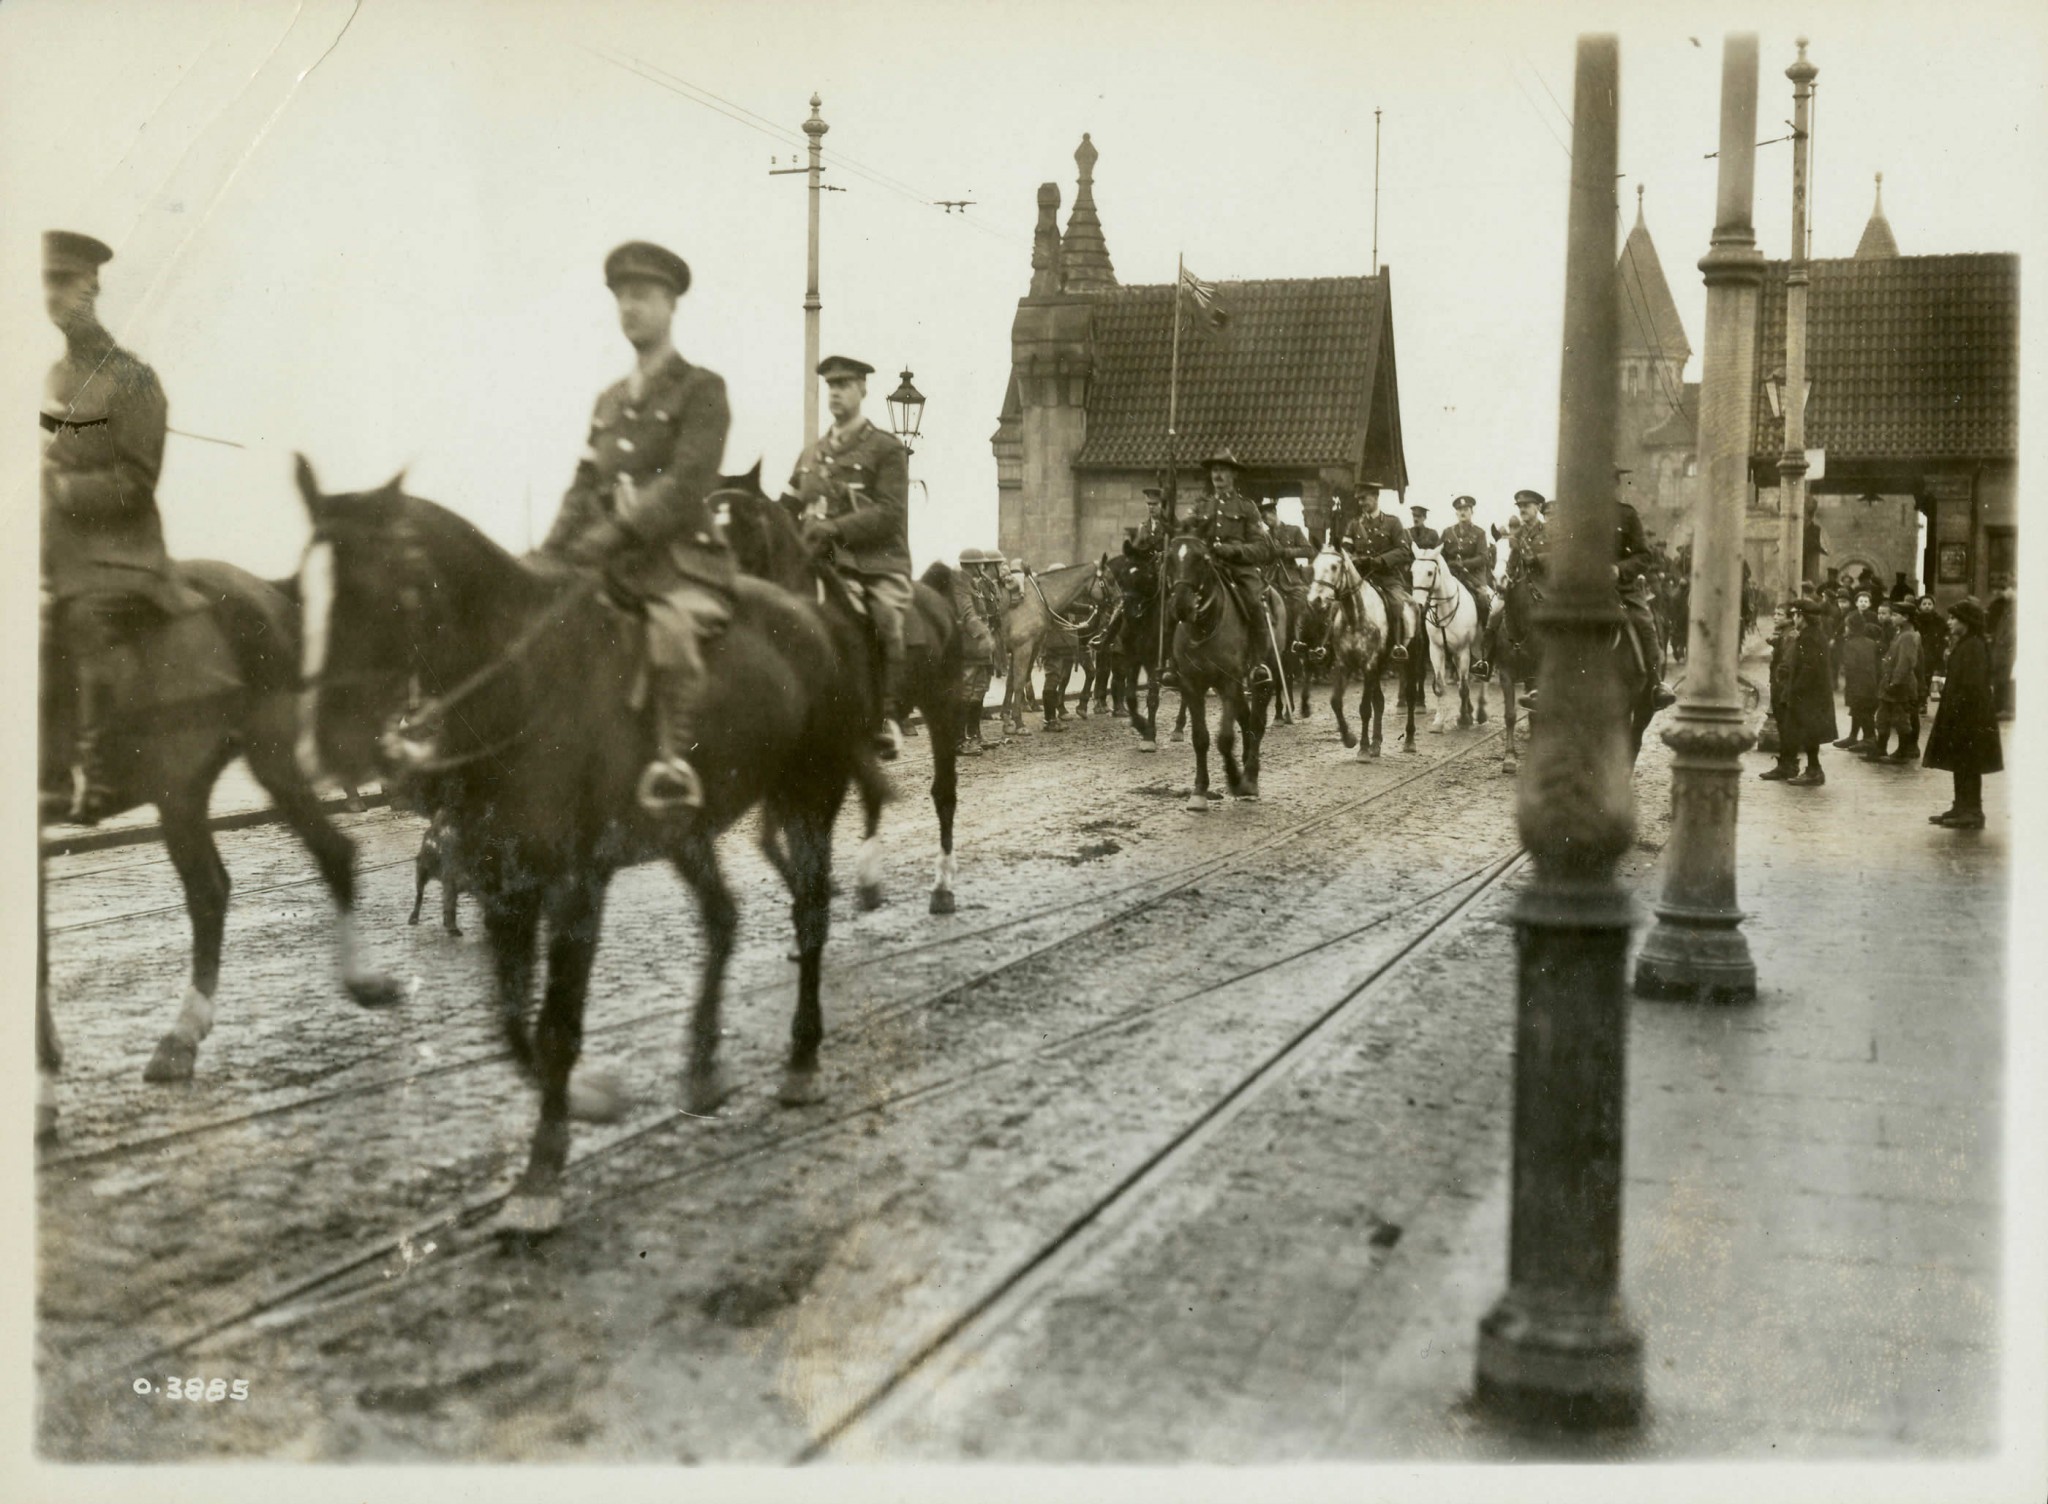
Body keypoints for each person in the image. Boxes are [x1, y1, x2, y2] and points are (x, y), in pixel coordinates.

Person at [541, 241, 731, 814]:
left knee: (670, 634)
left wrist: (619, 528)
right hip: (610, 563)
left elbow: (685, 485)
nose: (631, 307)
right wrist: (549, 554)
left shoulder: (701, 389)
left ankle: (672, 764)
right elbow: (582, 484)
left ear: (671, 304)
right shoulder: (609, 403)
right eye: (622, 297)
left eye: (643, 296)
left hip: (680, 565)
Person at [41, 230, 209, 824]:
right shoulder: (48, 378)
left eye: (62, 281)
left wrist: (60, 487)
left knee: (70, 618)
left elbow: (137, 480)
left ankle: (83, 775)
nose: (50, 295)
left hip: (118, 558)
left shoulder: (132, 379)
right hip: (54, 556)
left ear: (91, 286)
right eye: (44, 281)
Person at [780, 354, 914, 758]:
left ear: (862, 390)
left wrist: (835, 528)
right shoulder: (811, 455)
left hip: (875, 562)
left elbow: (890, 513)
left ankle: (886, 717)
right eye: (830, 386)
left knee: (886, 616)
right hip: (819, 560)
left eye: (844, 385)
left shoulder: (885, 449)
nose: (835, 393)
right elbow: (788, 503)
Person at [1167, 449, 1277, 687]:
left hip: (1238, 569)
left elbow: (1261, 548)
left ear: (1233, 475)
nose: (1218, 475)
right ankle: (1173, 664)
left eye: (1223, 471)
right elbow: (1183, 530)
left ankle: (1258, 664)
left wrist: (1233, 550)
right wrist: (1170, 508)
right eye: (1215, 471)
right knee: (1176, 596)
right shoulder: (1201, 506)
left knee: (1255, 602)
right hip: (1206, 568)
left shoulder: (1247, 508)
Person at [1923, 599, 2002, 828]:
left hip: (1970, 716)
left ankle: (1973, 811)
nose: (1949, 622)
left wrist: (1959, 711)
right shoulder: (1966, 643)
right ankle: (1960, 806)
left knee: (1969, 762)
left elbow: (1973, 685)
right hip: (1960, 713)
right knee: (1961, 761)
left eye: (1953, 618)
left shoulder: (1974, 646)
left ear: (1966, 622)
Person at [1339, 483, 1417, 661]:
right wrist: (1354, 559)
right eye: (1359, 499)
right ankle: (1330, 645)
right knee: (1337, 605)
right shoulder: (1354, 525)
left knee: (1397, 604)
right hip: (1360, 579)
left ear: (1375, 497)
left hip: (1386, 577)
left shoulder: (1393, 522)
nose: (1361, 502)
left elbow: (1403, 551)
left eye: (1364, 498)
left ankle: (1398, 645)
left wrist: (1378, 560)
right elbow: (1345, 550)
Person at [1776, 596, 1838, 785]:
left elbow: (1810, 668)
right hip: (1811, 694)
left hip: (1809, 695)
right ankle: (1809, 769)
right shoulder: (1812, 634)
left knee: (1809, 732)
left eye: (1795, 614)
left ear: (1802, 617)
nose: (1793, 618)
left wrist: (1795, 690)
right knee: (1806, 731)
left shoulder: (1809, 637)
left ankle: (1813, 771)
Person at [952, 549, 998, 756]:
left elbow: (985, 611)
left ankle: (974, 735)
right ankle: (959, 741)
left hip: (980, 649)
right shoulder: (960, 582)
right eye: (981, 564)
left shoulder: (976, 584)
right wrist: (984, 635)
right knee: (965, 690)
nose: (984, 567)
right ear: (972, 565)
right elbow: (967, 613)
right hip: (968, 646)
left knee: (979, 689)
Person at [1863, 604, 1921, 763]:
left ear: (1906, 617)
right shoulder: (1900, 633)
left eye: (1895, 615)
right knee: (1882, 717)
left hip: (1899, 686)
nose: (1892, 617)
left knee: (1900, 719)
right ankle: (1880, 748)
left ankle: (1903, 751)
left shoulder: (1908, 636)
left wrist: (1895, 683)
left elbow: (1905, 662)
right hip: (1889, 683)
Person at [1439, 494, 1495, 640]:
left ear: (1472, 511)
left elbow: (1484, 557)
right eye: (1459, 509)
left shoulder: (1479, 532)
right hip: (1451, 576)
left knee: (1483, 599)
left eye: (1466, 509)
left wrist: (1464, 564)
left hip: (1473, 577)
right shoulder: (1447, 532)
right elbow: (1439, 555)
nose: (1462, 512)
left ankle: (1484, 636)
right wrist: (1449, 565)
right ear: (1456, 513)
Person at [1835, 612, 1881, 752]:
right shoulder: (1871, 642)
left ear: (1851, 627)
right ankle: (1853, 736)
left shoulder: (1850, 644)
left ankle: (1869, 738)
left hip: (1857, 684)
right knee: (1859, 710)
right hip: (1871, 683)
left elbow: (1850, 666)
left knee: (1861, 711)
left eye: (1847, 626)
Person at [1987, 574, 2016, 720]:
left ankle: (2006, 707)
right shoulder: (2002, 605)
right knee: (2000, 675)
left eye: (2008, 588)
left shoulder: (2013, 606)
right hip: (2001, 647)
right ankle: (2001, 707)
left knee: (2006, 676)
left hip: (2007, 648)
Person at [1913, 595, 1948, 712]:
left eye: (1929, 604)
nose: (1927, 606)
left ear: (1933, 606)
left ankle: (1923, 702)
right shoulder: (1916, 620)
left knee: (1927, 678)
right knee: (1917, 676)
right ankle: (1916, 701)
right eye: (1924, 604)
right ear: (1919, 606)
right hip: (1919, 651)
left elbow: (1944, 636)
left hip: (1932, 653)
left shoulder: (1939, 620)